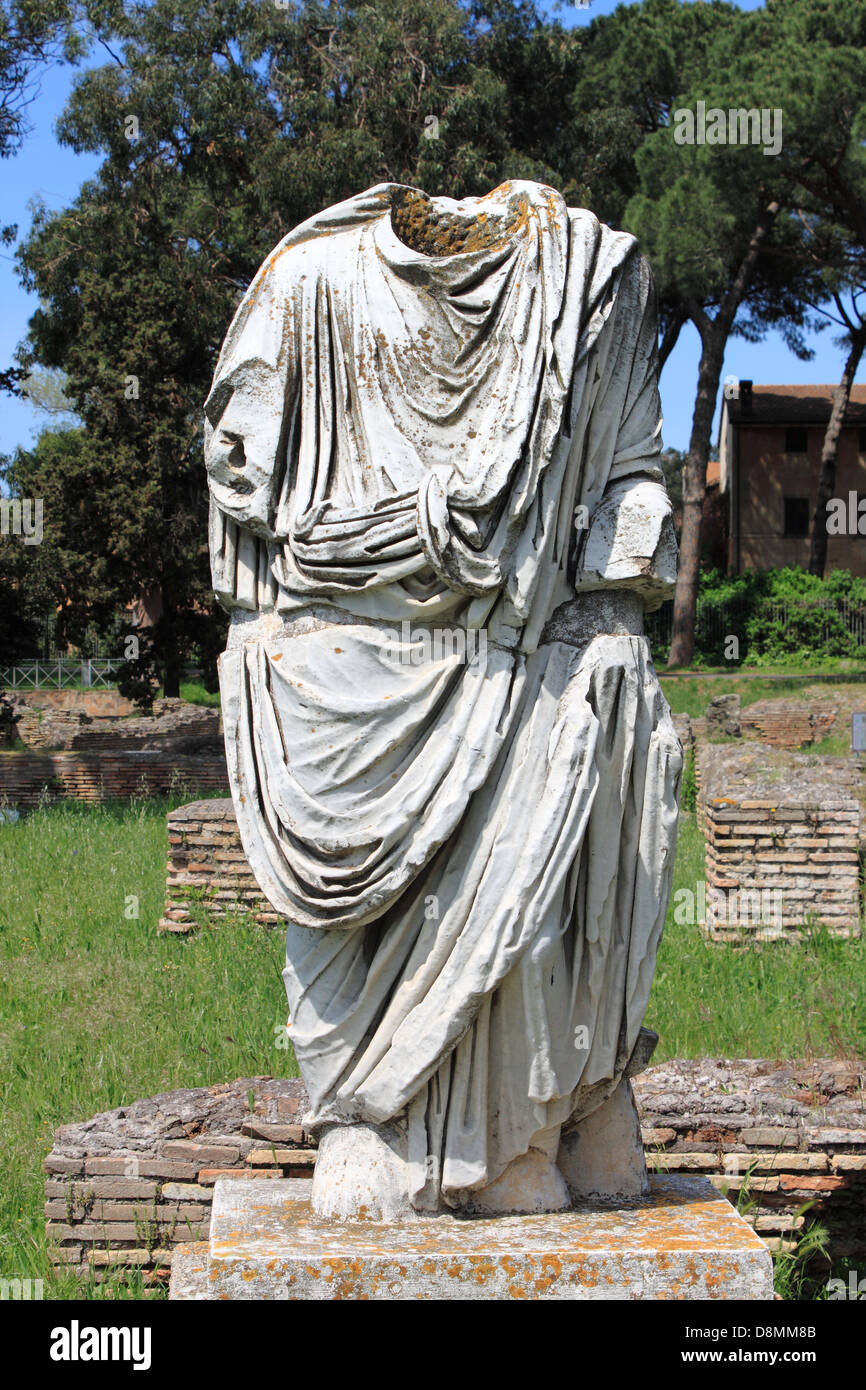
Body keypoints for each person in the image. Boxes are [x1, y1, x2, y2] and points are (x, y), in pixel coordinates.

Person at [205, 180, 682, 1218]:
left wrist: (626, 549)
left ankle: (546, 1110)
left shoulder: (587, 280)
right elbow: (241, 493)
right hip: (344, 646)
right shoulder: (308, 283)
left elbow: (633, 481)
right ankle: (355, 1116)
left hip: (522, 648)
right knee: (336, 889)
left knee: (571, 769)